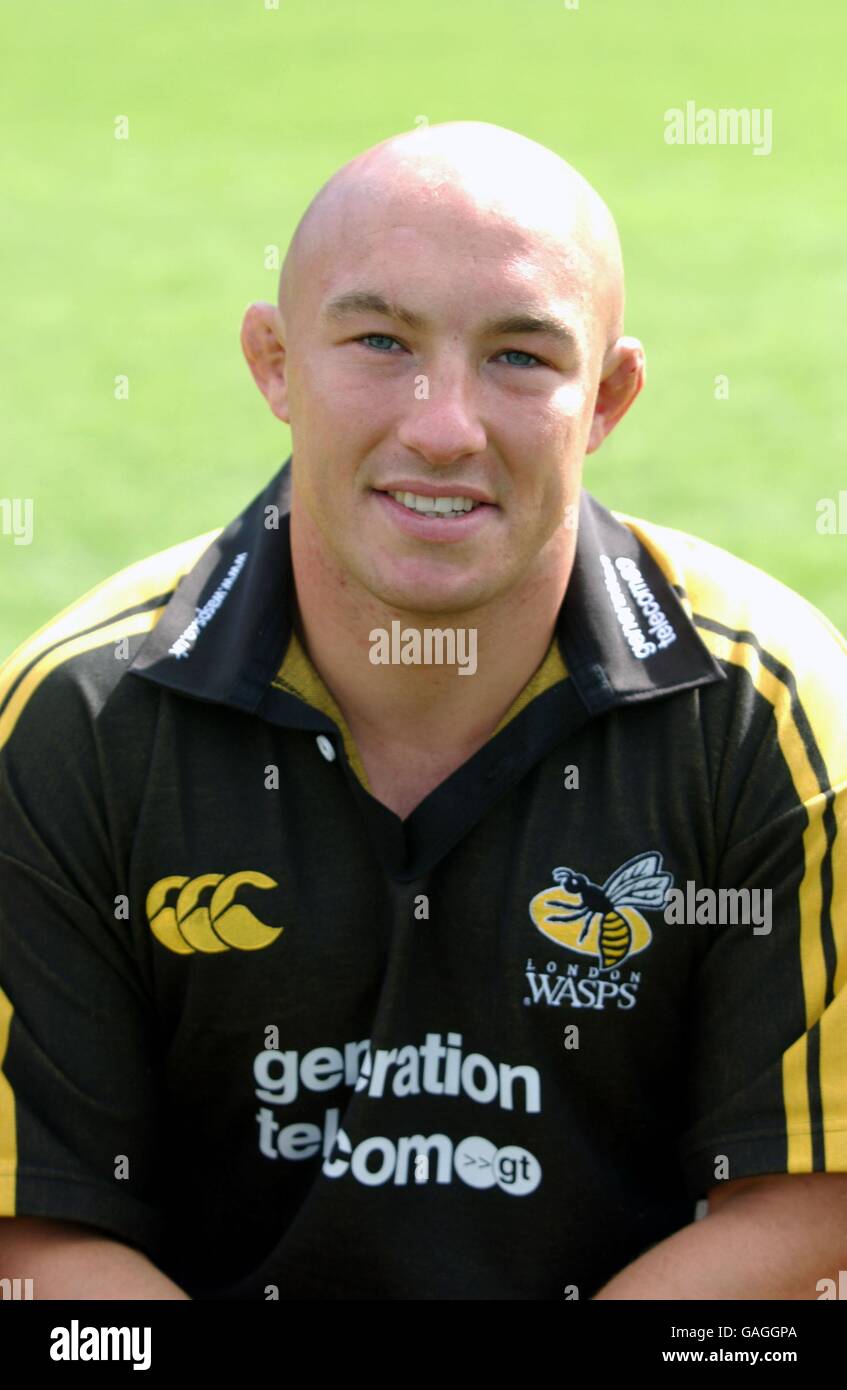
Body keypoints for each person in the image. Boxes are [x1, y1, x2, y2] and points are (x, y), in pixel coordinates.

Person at [0, 120, 845, 1301]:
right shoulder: (71, 718)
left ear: (605, 398)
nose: (442, 426)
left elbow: (815, 1208)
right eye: (380, 340)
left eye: (519, 359)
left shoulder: (782, 714)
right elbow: (28, 1233)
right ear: (274, 362)